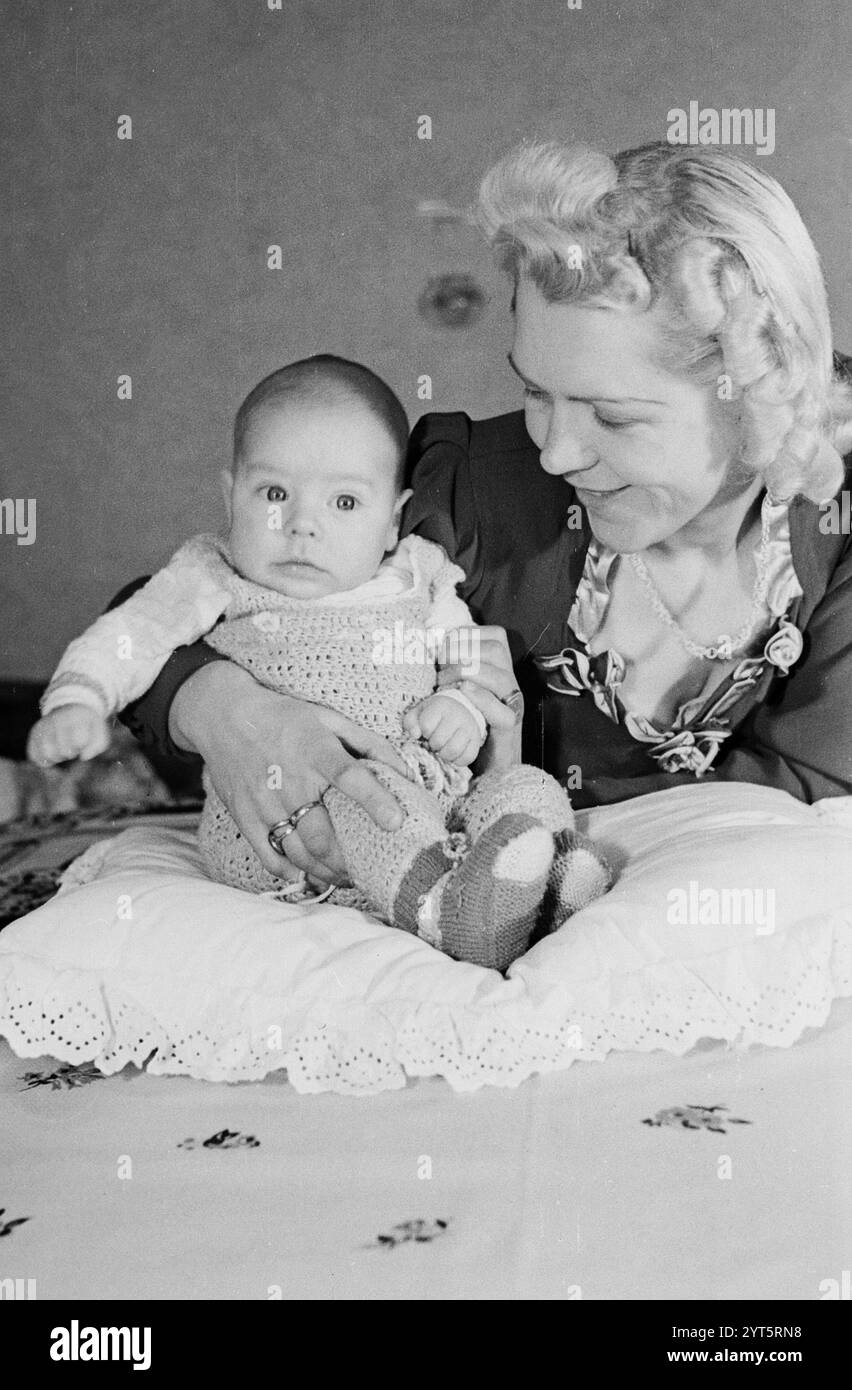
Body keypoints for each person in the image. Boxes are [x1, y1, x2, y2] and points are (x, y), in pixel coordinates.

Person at [99, 140, 852, 892]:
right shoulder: (463, 497)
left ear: (756, 392)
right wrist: (228, 711)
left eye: (614, 418)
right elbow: (161, 618)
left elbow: (812, 794)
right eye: (535, 392)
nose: (556, 454)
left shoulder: (835, 531)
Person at [28, 355, 610, 972]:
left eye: (344, 502)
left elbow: (468, 654)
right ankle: (448, 912)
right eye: (275, 493)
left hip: (434, 804)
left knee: (520, 786)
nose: (302, 524)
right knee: (365, 784)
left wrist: (461, 703)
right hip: (284, 826)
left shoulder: (419, 574)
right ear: (231, 497)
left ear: (392, 520)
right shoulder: (213, 576)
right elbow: (131, 632)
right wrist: (79, 700)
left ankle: (546, 885)